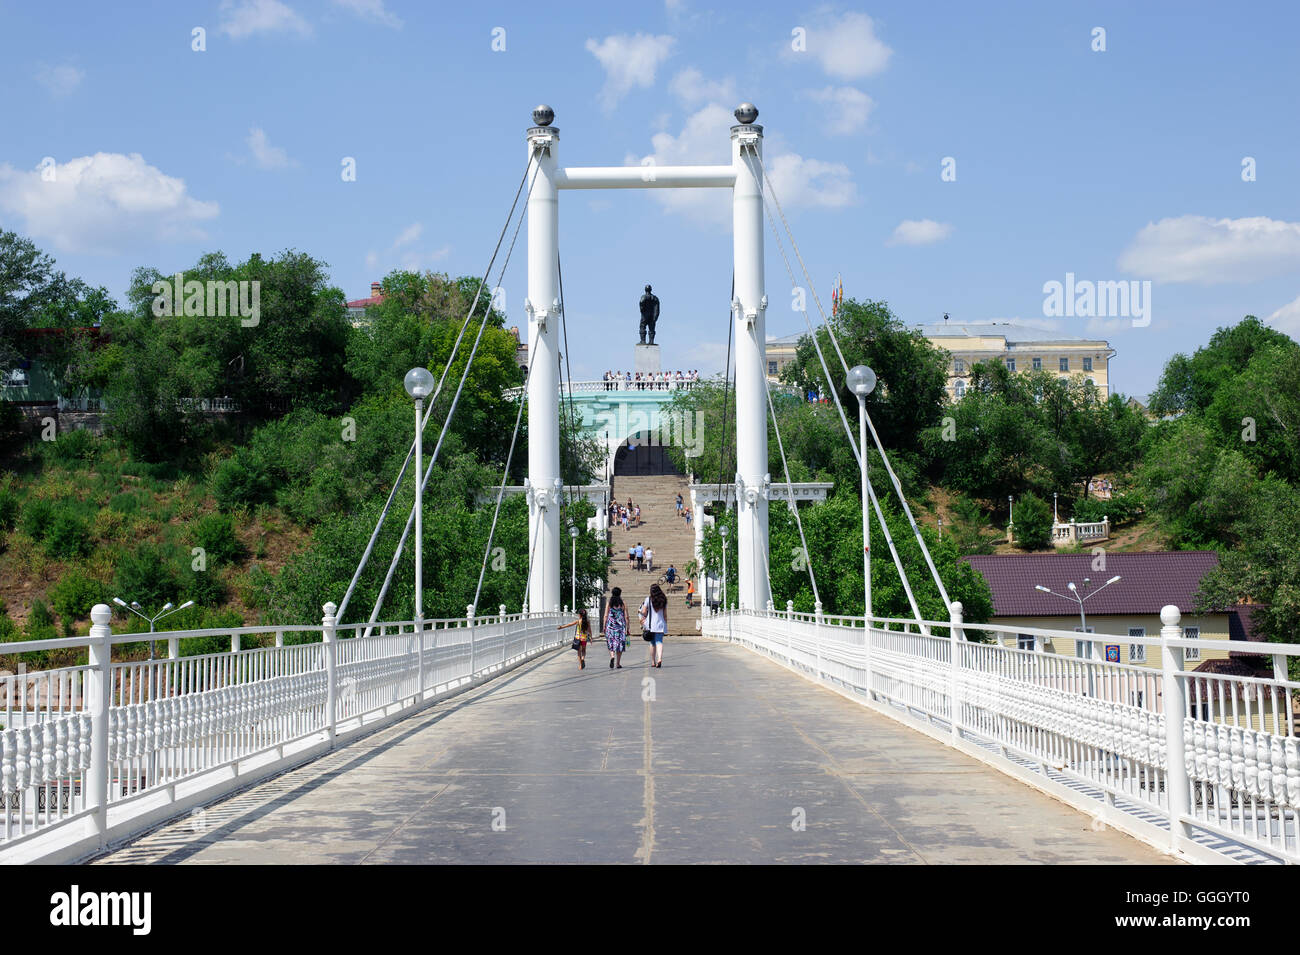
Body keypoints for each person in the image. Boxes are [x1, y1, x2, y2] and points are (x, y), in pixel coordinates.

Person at [639, 583, 668, 668]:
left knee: (652, 643)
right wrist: (665, 623)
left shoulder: (648, 599)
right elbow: (665, 614)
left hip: (650, 625)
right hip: (660, 624)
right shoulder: (664, 599)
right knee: (659, 642)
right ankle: (659, 659)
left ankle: (653, 661)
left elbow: (644, 612)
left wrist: (642, 614)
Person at [604, 587, 628, 668]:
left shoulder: (609, 602)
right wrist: (628, 628)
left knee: (611, 642)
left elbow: (606, 615)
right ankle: (617, 663)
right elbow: (626, 616)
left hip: (610, 626)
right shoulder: (623, 603)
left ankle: (612, 656)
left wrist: (604, 626)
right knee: (619, 644)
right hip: (620, 627)